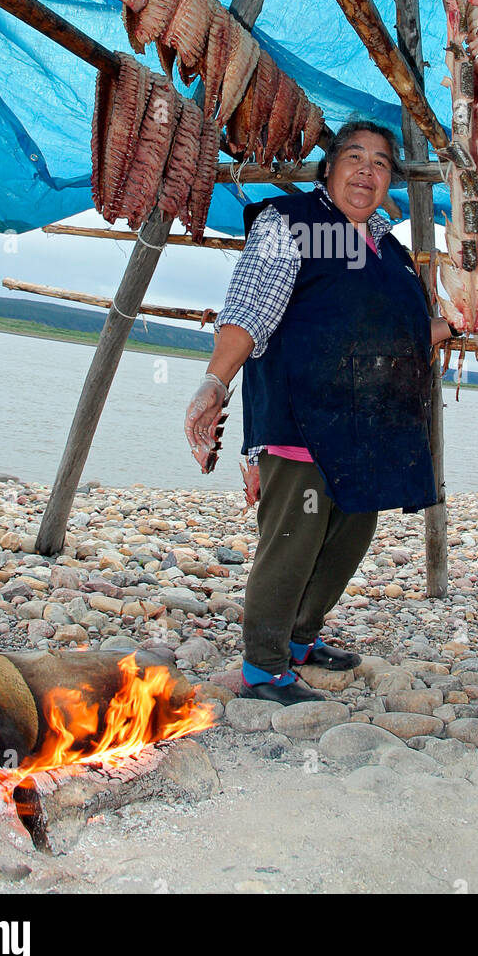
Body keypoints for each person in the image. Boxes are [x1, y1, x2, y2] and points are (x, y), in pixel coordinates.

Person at [184, 120, 453, 705]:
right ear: (328, 168)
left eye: (381, 163)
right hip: (300, 417)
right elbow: (250, 308)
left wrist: (462, 326)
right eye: (354, 156)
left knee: (351, 533)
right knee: (293, 540)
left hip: (371, 427)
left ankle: (302, 638)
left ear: (390, 183)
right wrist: (214, 382)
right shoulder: (290, 224)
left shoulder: (392, 251)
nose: (366, 170)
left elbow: (410, 333)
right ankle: (264, 667)